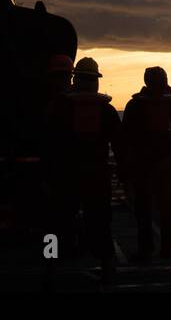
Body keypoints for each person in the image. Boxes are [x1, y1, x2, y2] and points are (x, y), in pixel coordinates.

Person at [41, 57, 124, 283]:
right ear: (96, 81)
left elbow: (47, 143)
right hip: (96, 176)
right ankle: (108, 269)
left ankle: (50, 268)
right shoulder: (106, 110)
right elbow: (120, 145)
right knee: (100, 224)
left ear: (76, 78)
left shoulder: (59, 106)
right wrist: (124, 174)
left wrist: (47, 175)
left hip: (64, 175)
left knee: (55, 224)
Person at [121, 66, 171, 262]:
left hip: (143, 162)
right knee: (167, 209)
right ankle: (169, 251)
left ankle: (145, 251)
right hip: (165, 161)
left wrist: (125, 166)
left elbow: (126, 136)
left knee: (143, 209)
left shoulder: (134, 104)